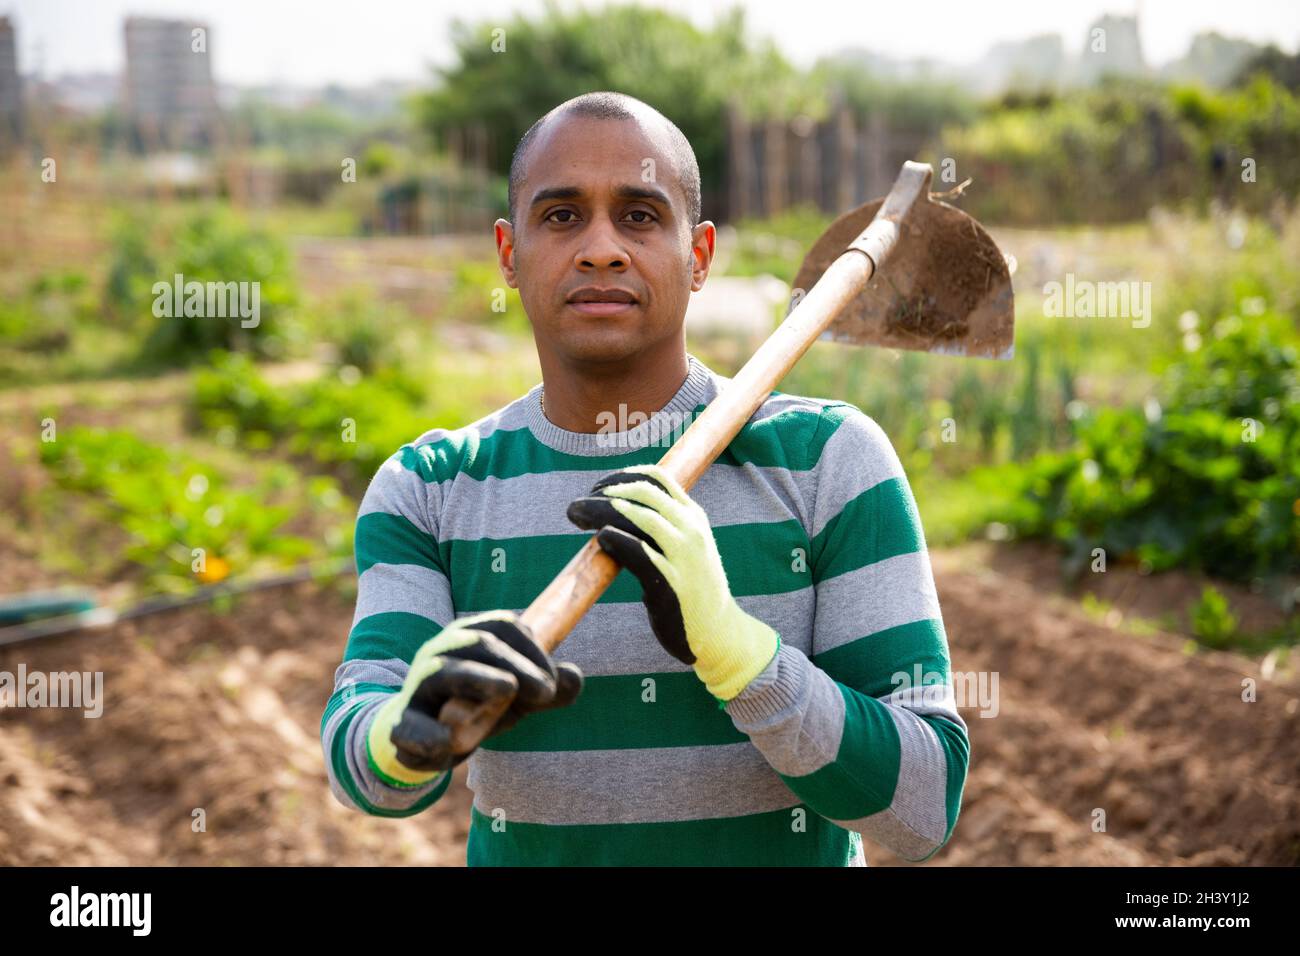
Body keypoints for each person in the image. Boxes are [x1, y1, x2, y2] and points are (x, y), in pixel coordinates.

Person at [321, 91, 969, 866]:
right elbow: (362, 770)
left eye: (639, 215)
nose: (601, 249)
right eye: (561, 216)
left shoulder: (829, 461)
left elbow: (923, 809)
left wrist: (738, 656)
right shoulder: (430, 489)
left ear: (697, 256)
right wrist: (407, 728)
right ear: (508, 253)